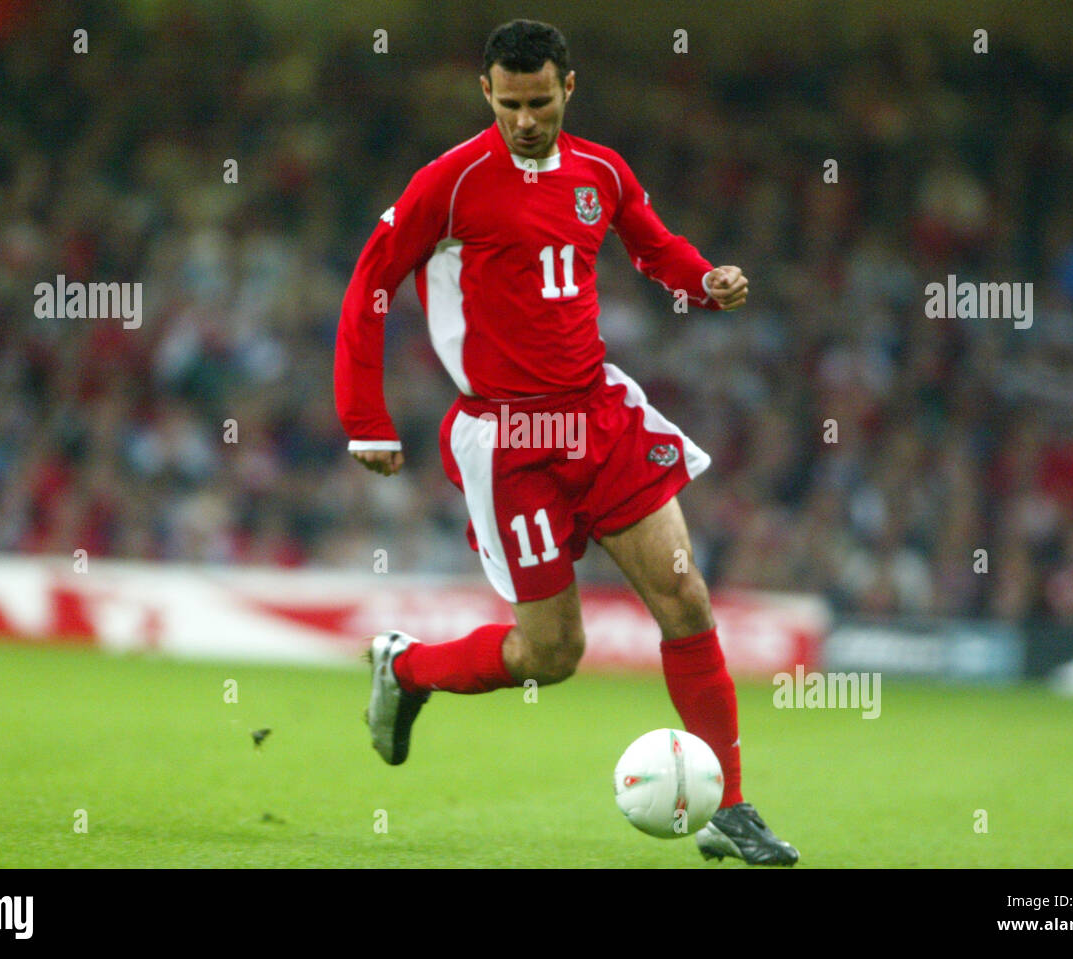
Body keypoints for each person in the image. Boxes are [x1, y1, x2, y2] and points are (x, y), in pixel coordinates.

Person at [334, 18, 798, 865]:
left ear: (568, 89)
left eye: (539, 101)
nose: (524, 119)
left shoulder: (602, 171)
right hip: (511, 440)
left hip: (597, 415)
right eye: (508, 103)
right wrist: (363, 415)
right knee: (551, 654)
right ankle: (405, 672)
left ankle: (732, 808)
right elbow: (372, 280)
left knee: (686, 599)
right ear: (487, 94)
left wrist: (705, 280)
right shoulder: (451, 181)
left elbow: (655, 251)